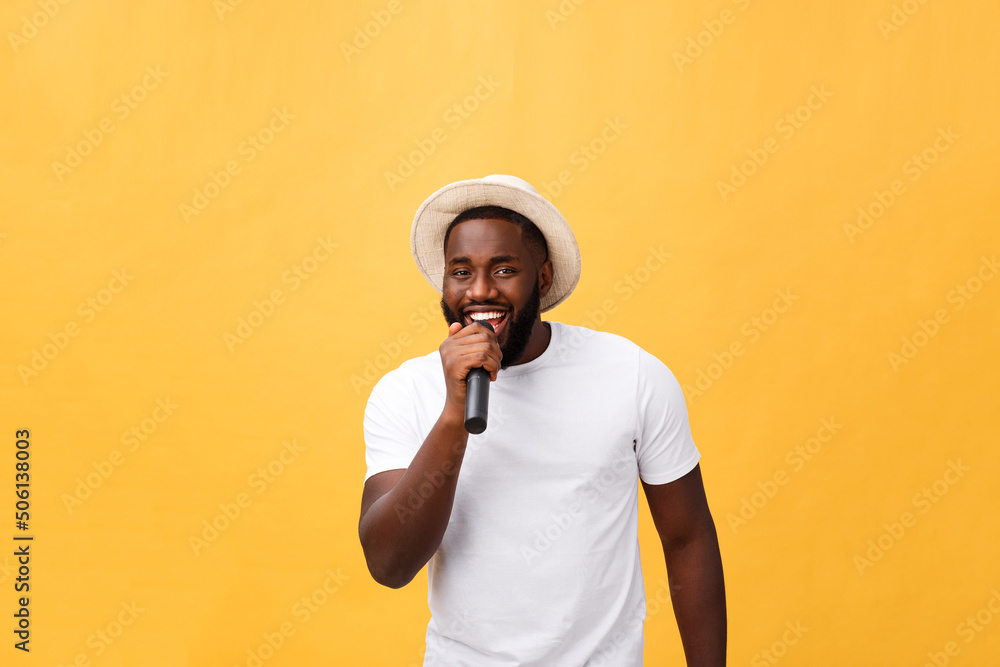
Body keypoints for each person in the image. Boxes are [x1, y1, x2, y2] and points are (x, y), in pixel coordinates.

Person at [359, 174, 726, 665]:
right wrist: (453, 414)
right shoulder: (403, 392)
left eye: (505, 269)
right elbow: (389, 563)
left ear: (544, 278)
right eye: (461, 271)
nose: (480, 290)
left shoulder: (631, 373)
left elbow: (688, 538)